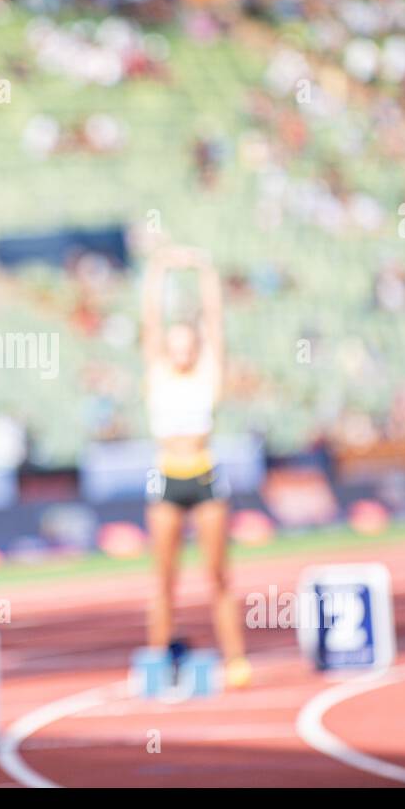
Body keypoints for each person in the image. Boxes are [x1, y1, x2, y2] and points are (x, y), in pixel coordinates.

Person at [140, 244, 250, 689]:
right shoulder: (157, 372)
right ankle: (158, 661)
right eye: (175, 343)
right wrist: (161, 267)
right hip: (166, 476)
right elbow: (150, 317)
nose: (181, 350)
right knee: (164, 579)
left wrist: (205, 267)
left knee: (219, 575)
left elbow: (215, 317)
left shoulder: (208, 372)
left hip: (204, 475)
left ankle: (236, 657)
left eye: (188, 343)